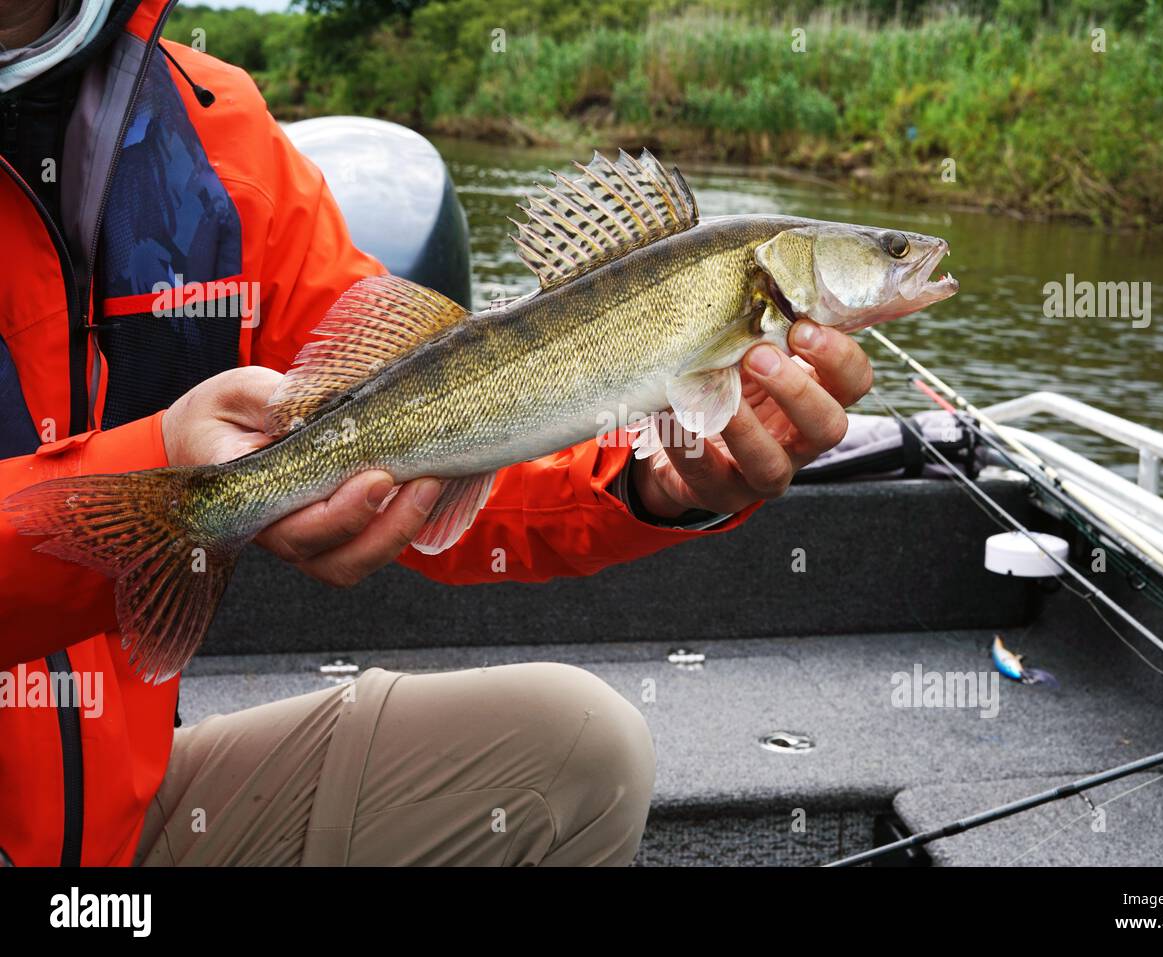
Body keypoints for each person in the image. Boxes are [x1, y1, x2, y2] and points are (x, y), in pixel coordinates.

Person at [0, 0, 873, 867]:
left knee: (578, 752)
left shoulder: (215, 132)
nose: (904, 264)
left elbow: (452, 417)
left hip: (121, 824)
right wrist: (155, 467)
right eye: (888, 253)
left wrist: (651, 482)